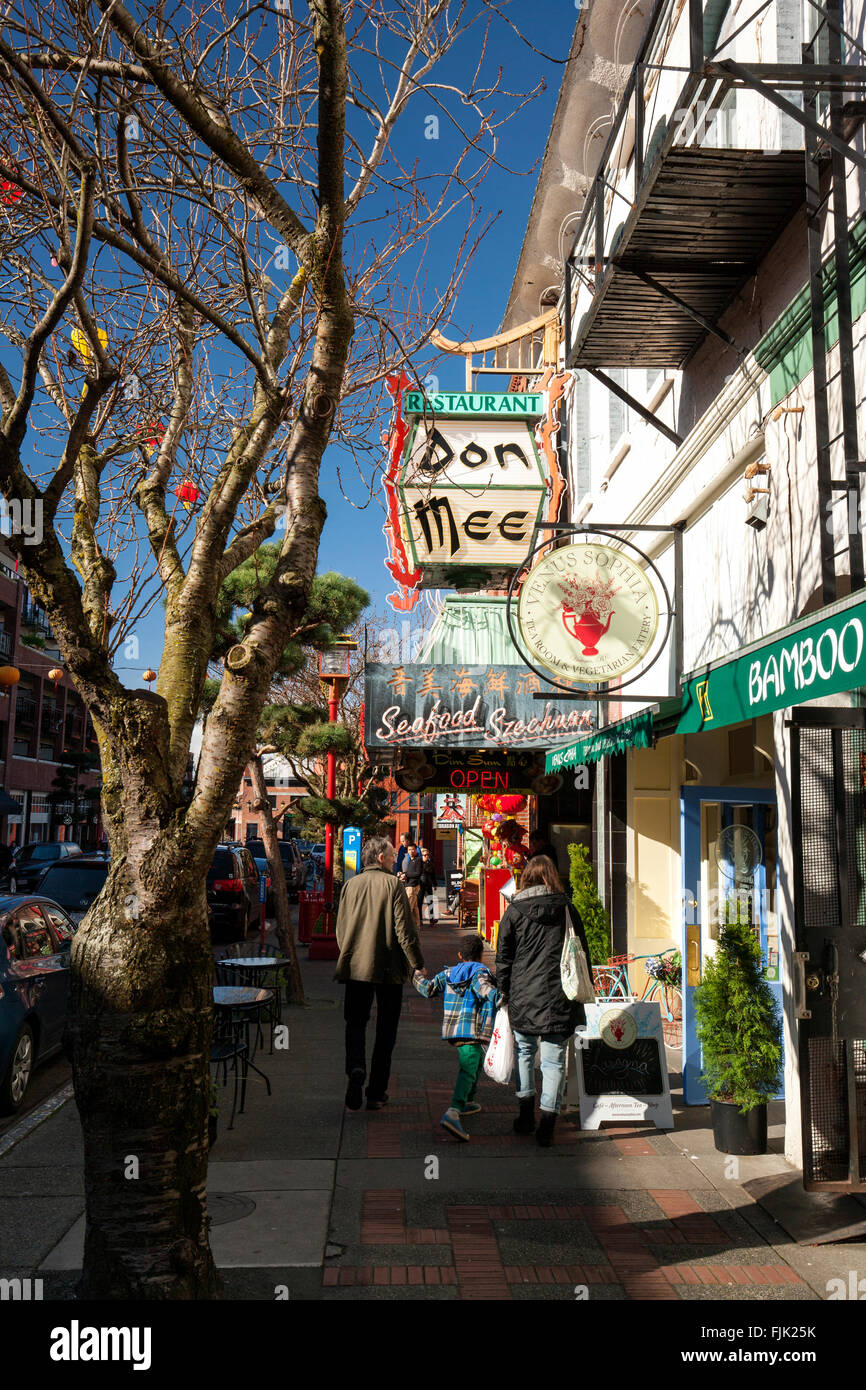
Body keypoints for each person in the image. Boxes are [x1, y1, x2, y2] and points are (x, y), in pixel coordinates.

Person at [494, 854, 591, 1148]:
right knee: (553, 1061)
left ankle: (525, 1115)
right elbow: (582, 951)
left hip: (523, 994)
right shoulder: (567, 909)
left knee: (524, 1052)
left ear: (526, 879)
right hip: (559, 995)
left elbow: (503, 957)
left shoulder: (514, 911)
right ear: (553, 876)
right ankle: (547, 1123)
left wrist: (503, 990)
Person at [335, 835, 426, 1111]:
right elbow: (404, 930)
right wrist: (417, 964)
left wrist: (348, 952)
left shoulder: (350, 885)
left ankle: (355, 1068)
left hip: (355, 966)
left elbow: (341, 928)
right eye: (390, 856)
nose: (393, 860)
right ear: (379, 858)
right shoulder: (393, 885)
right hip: (388, 967)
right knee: (386, 1030)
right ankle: (376, 1091)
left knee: (355, 1022)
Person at [413, 933, 501, 1142]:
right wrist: (498, 996)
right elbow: (483, 987)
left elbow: (428, 989)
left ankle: (468, 1100)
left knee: (476, 1061)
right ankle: (453, 1111)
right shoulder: (481, 972)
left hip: (455, 1030)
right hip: (474, 1029)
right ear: (481, 955)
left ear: (460, 955)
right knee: (469, 1067)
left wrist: (415, 975)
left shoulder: (449, 973)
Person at [400, 842, 424, 928]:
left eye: (412, 849)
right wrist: (403, 873)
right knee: (414, 907)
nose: (410, 851)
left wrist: (406, 875)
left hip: (413, 886)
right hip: (408, 885)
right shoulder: (410, 859)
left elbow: (418, 873)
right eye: (409, 849)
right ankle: (417, 925)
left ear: (416, 850)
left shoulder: (418, 860)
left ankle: (407, 927)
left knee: (408, 907)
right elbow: (410, 872)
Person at [420, 846, 438, 926]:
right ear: (421, 855)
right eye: (425, 855)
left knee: (430, 902)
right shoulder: (419, 863)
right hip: (420, 885)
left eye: (428, 855)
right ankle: (419, 920)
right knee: (419, 903)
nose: (427, 856)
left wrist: (435, 884)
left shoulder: (430, 864)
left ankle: (431, 920)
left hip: (428, 885)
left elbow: (433, 875)